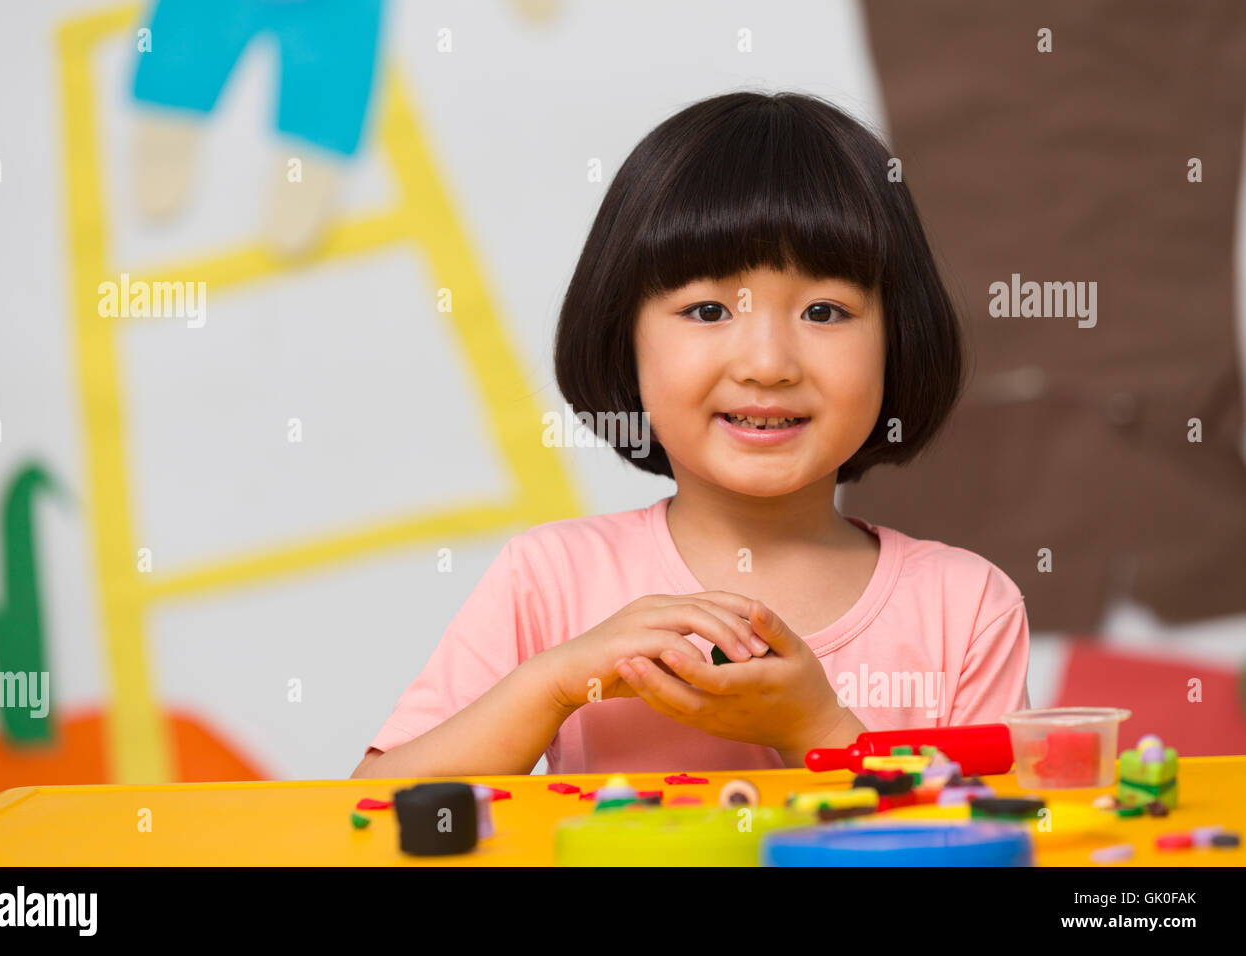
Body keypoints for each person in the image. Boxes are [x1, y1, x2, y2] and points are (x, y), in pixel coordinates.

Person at [352, 90, 1030, 779]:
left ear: (900, 339)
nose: (767, 364)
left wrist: (818, 731)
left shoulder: (966, 606)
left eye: (824, 311)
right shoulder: (550, 578)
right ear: (625, 338)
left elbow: (999, 841)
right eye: (708, 309)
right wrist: (553, 686)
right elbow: (367, 814)